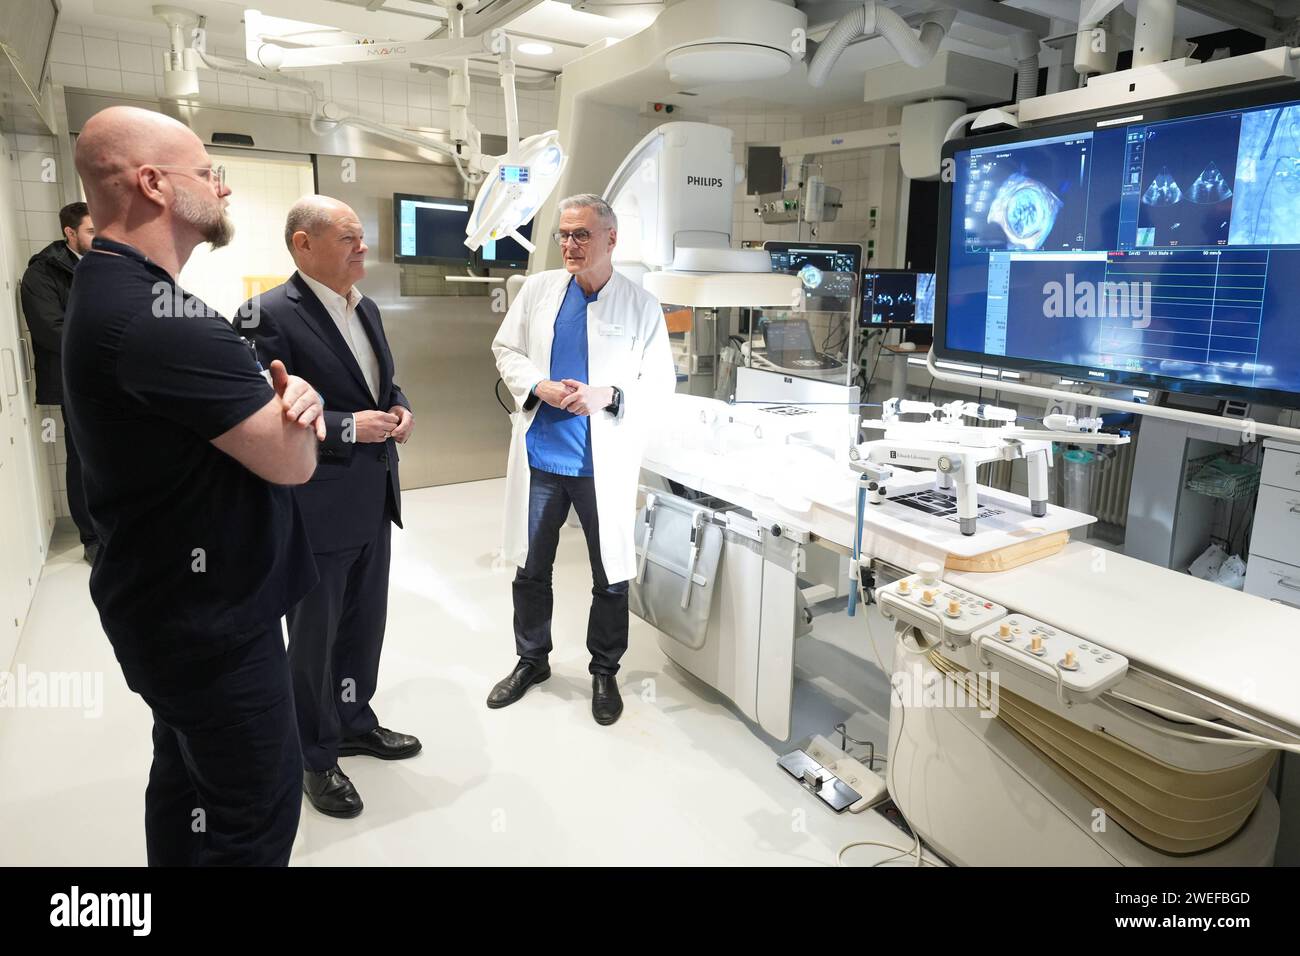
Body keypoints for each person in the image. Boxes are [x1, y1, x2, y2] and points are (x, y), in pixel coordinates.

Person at [63, 105, 323, 865]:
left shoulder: (111, 287)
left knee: (186, 790)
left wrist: (282, 408)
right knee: (251, 817)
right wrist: (296, 405)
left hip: (165, 610)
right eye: (207, 172)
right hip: (212, 628)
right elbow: (292, 461)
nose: (225, 187)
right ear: (152, 184)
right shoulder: (159, 318)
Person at [240, 195, 419, 819]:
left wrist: (397, 408)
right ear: (303, 245)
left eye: (361, 237)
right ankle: (314, 756)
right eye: (348, 237)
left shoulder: (362, 307)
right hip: (316, 506)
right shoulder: (265, 316)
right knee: (314, 638)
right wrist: (348, 429)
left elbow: (377, 380)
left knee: (364, 622)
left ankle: (352, 719)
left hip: (374, 498)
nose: (362, 247)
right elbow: (264, 415)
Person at [489, 193, 676, 725]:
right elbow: (506, 349)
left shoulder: (641, 306)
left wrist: (609, 395)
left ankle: (604, 671)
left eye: (582, 235)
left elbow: (659, 383)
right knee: (530, 568)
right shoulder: (540, 290)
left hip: (603, 464)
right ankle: (531, 660)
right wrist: (537, 385)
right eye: (563, 235)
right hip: (542, 455)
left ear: (610, 239)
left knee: (609, 572)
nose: (570, 245)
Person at [20, 202, 100, 561]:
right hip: (75, 378)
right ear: (70, 234)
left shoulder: (103, 264)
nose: (99, 238)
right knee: (82, 457)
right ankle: (92, 539)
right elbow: (51, 330)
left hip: (111, 374)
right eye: (91, 232)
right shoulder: (43, 272)